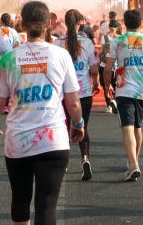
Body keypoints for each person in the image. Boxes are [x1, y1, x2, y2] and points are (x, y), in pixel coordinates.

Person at [0, 0, 84, 225]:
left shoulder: (10, 58)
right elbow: (73, 102)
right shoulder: (61, 56)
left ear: (23, 24)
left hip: (18, 141)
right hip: (53, 140)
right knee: (46, 207)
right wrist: (78, 124)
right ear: (49, 23)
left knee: (20, 203)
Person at [103, 9, 143, 181]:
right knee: (137, 127)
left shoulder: (117, 41)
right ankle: (134, 162)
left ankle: (133, 164)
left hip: (124, 88)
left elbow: (108, 67)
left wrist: (107, 86)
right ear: (140, 24)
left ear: (125, 23)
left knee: (128, 127)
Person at [53, 9, 98, 180]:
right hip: (84, 92)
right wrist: (97, 82)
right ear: (80, 23)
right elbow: (94, 68)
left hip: (63, 93)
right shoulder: (87, 43)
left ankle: (63, 163)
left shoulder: (57, 43)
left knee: (63, 128)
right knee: (81, 125)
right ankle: (85, 158)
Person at [98, 25, 119, 114]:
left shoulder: (104, 37)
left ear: (109, 27)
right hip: (116, 65)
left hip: (104, 64)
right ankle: (114, 101)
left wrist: (98, 55)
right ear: (117, 27)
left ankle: (108, 105)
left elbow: (101, 50)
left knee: (106, 85)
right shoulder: (119, 38)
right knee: (116, 86)